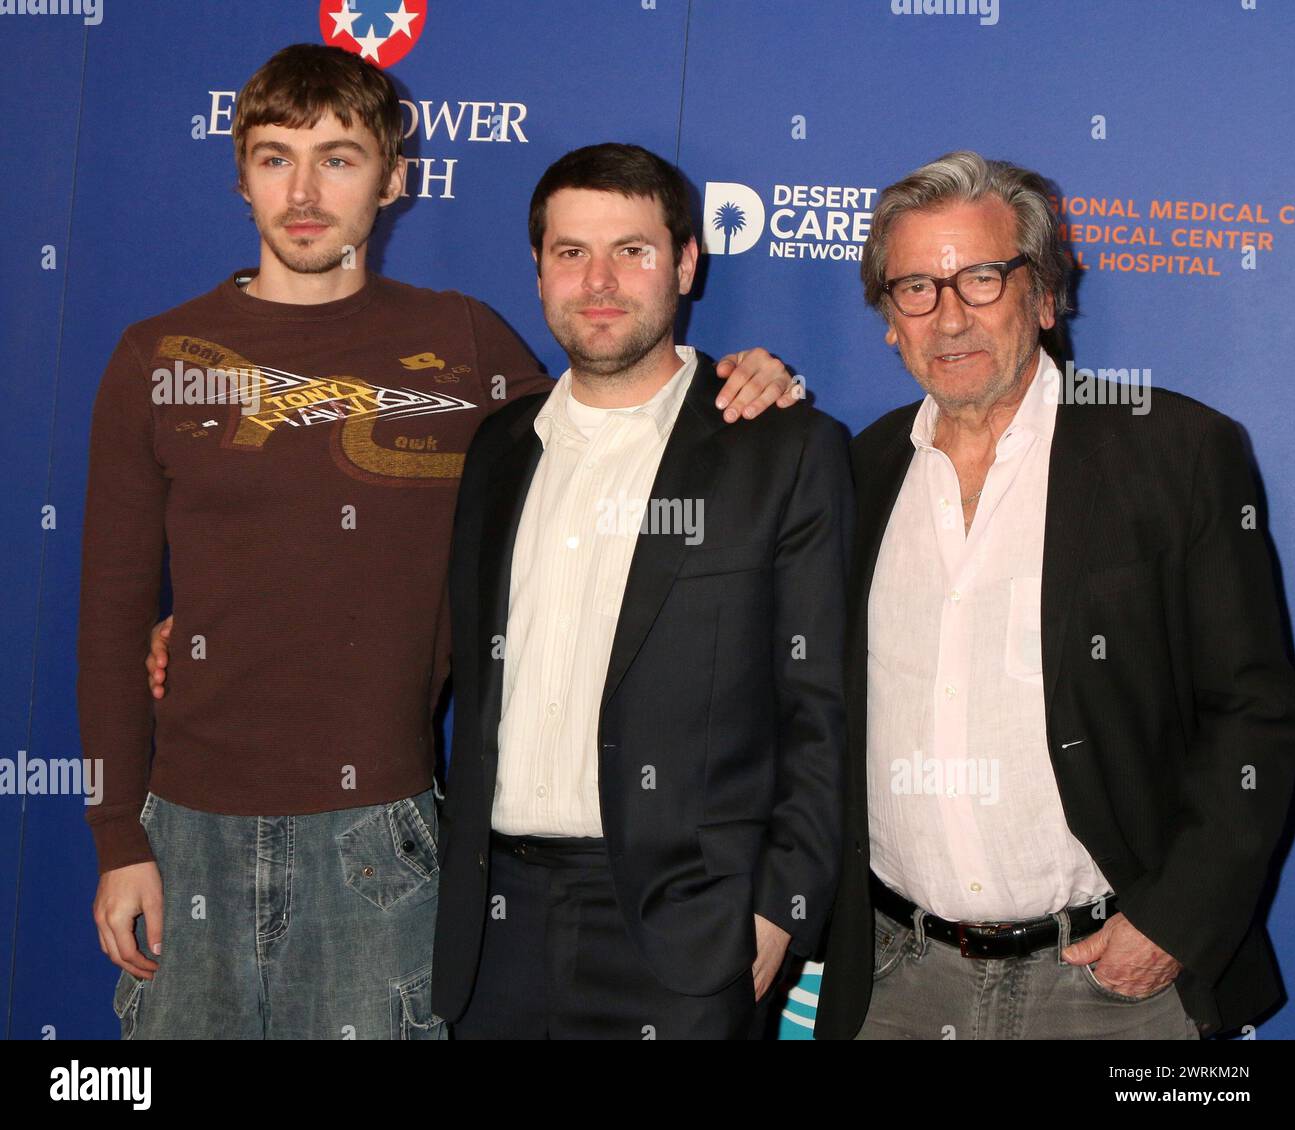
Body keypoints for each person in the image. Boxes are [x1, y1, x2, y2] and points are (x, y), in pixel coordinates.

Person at [85, 44, 796, 1040]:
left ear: (394, 180)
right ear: (238, 171)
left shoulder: (463, 342)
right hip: (183, 834)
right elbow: (109, 612)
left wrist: (740, 380)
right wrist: (118, 834)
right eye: (273, 156)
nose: (302, 190)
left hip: (383, 836)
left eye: (337, 158)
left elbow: (621, 413)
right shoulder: (156, 356)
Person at [816, 150, 1295, 1041]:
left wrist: (1174, 923)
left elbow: (1256, 713)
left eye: (983, 279)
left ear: (1044, 295)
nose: (949, 316)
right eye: (916, 286)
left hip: (1118, 990)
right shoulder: (852, 472)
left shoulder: (1179, 453)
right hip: (898, 982)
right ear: (889, 317)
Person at [427, 143, 851, 1039]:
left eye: (634, 249)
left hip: (687, 935)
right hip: (492, 930)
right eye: (571, 252)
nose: (600, 281)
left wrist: (780, 909)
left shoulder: (779, 447)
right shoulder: (497, 449)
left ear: (687, 264)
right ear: (538, 271)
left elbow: (822, 706)